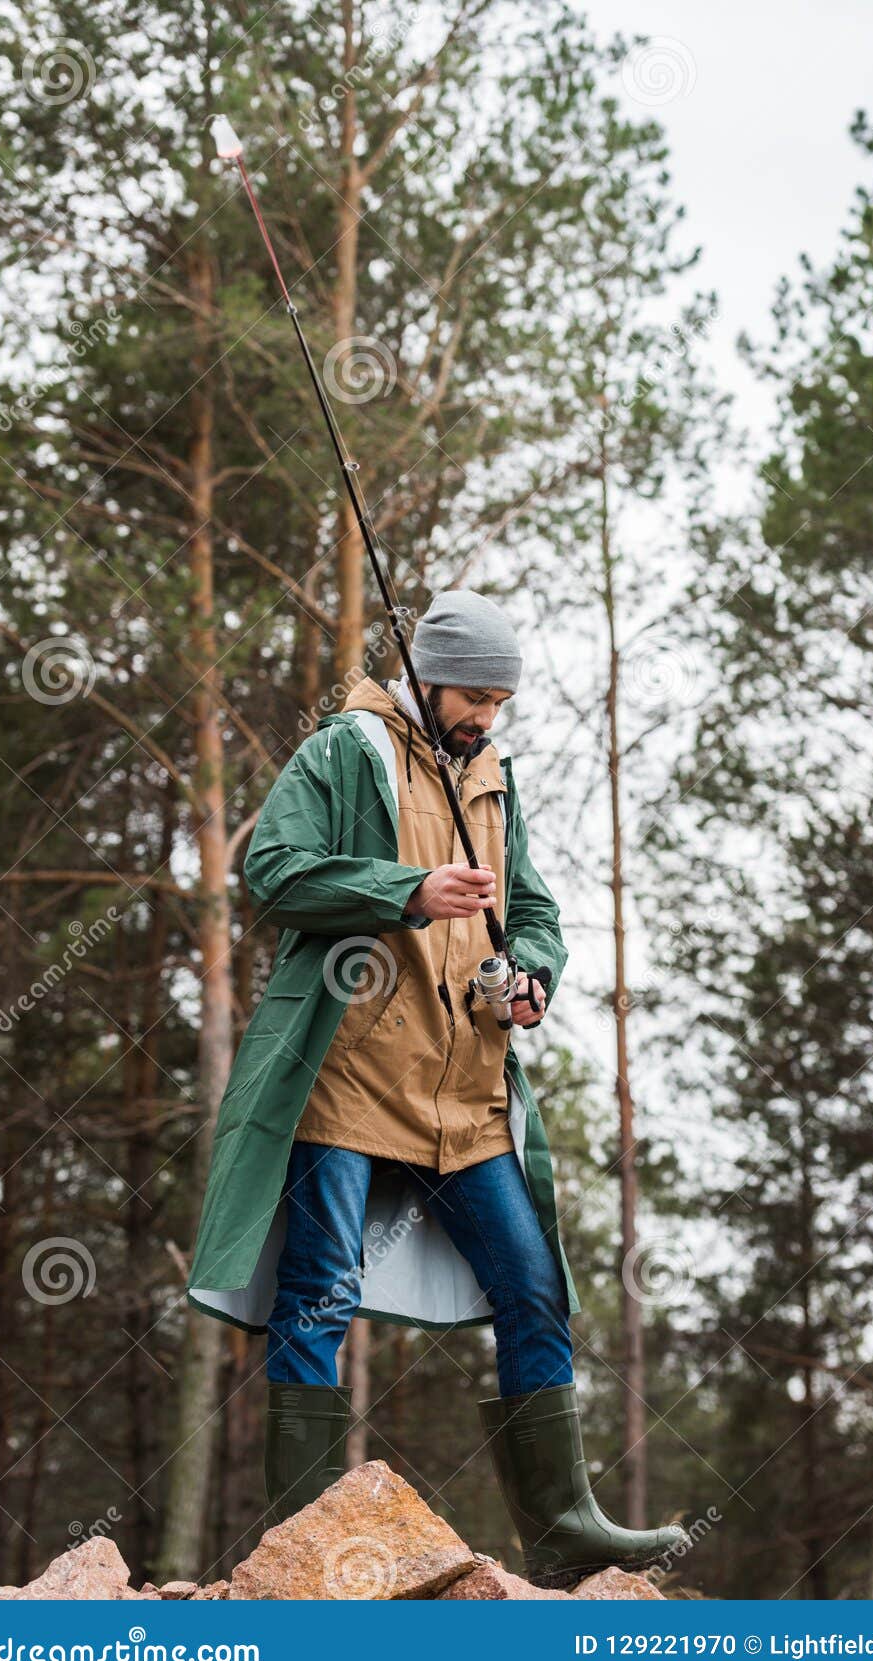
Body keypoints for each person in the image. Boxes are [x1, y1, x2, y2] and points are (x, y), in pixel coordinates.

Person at [187, 588, 685, 1587]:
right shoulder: (345, 750)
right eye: (475, 697)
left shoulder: (495, 778)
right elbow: (273, 871)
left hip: (468, 1091)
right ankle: (306, 1544)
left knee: (534, 1289)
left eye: (501, 702)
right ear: (426, 678)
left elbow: (534, 913)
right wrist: (405, 889)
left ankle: (563, 1528)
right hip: (350, 1076)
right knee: (318, 1292)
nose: (487, 718)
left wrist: (532, 977)